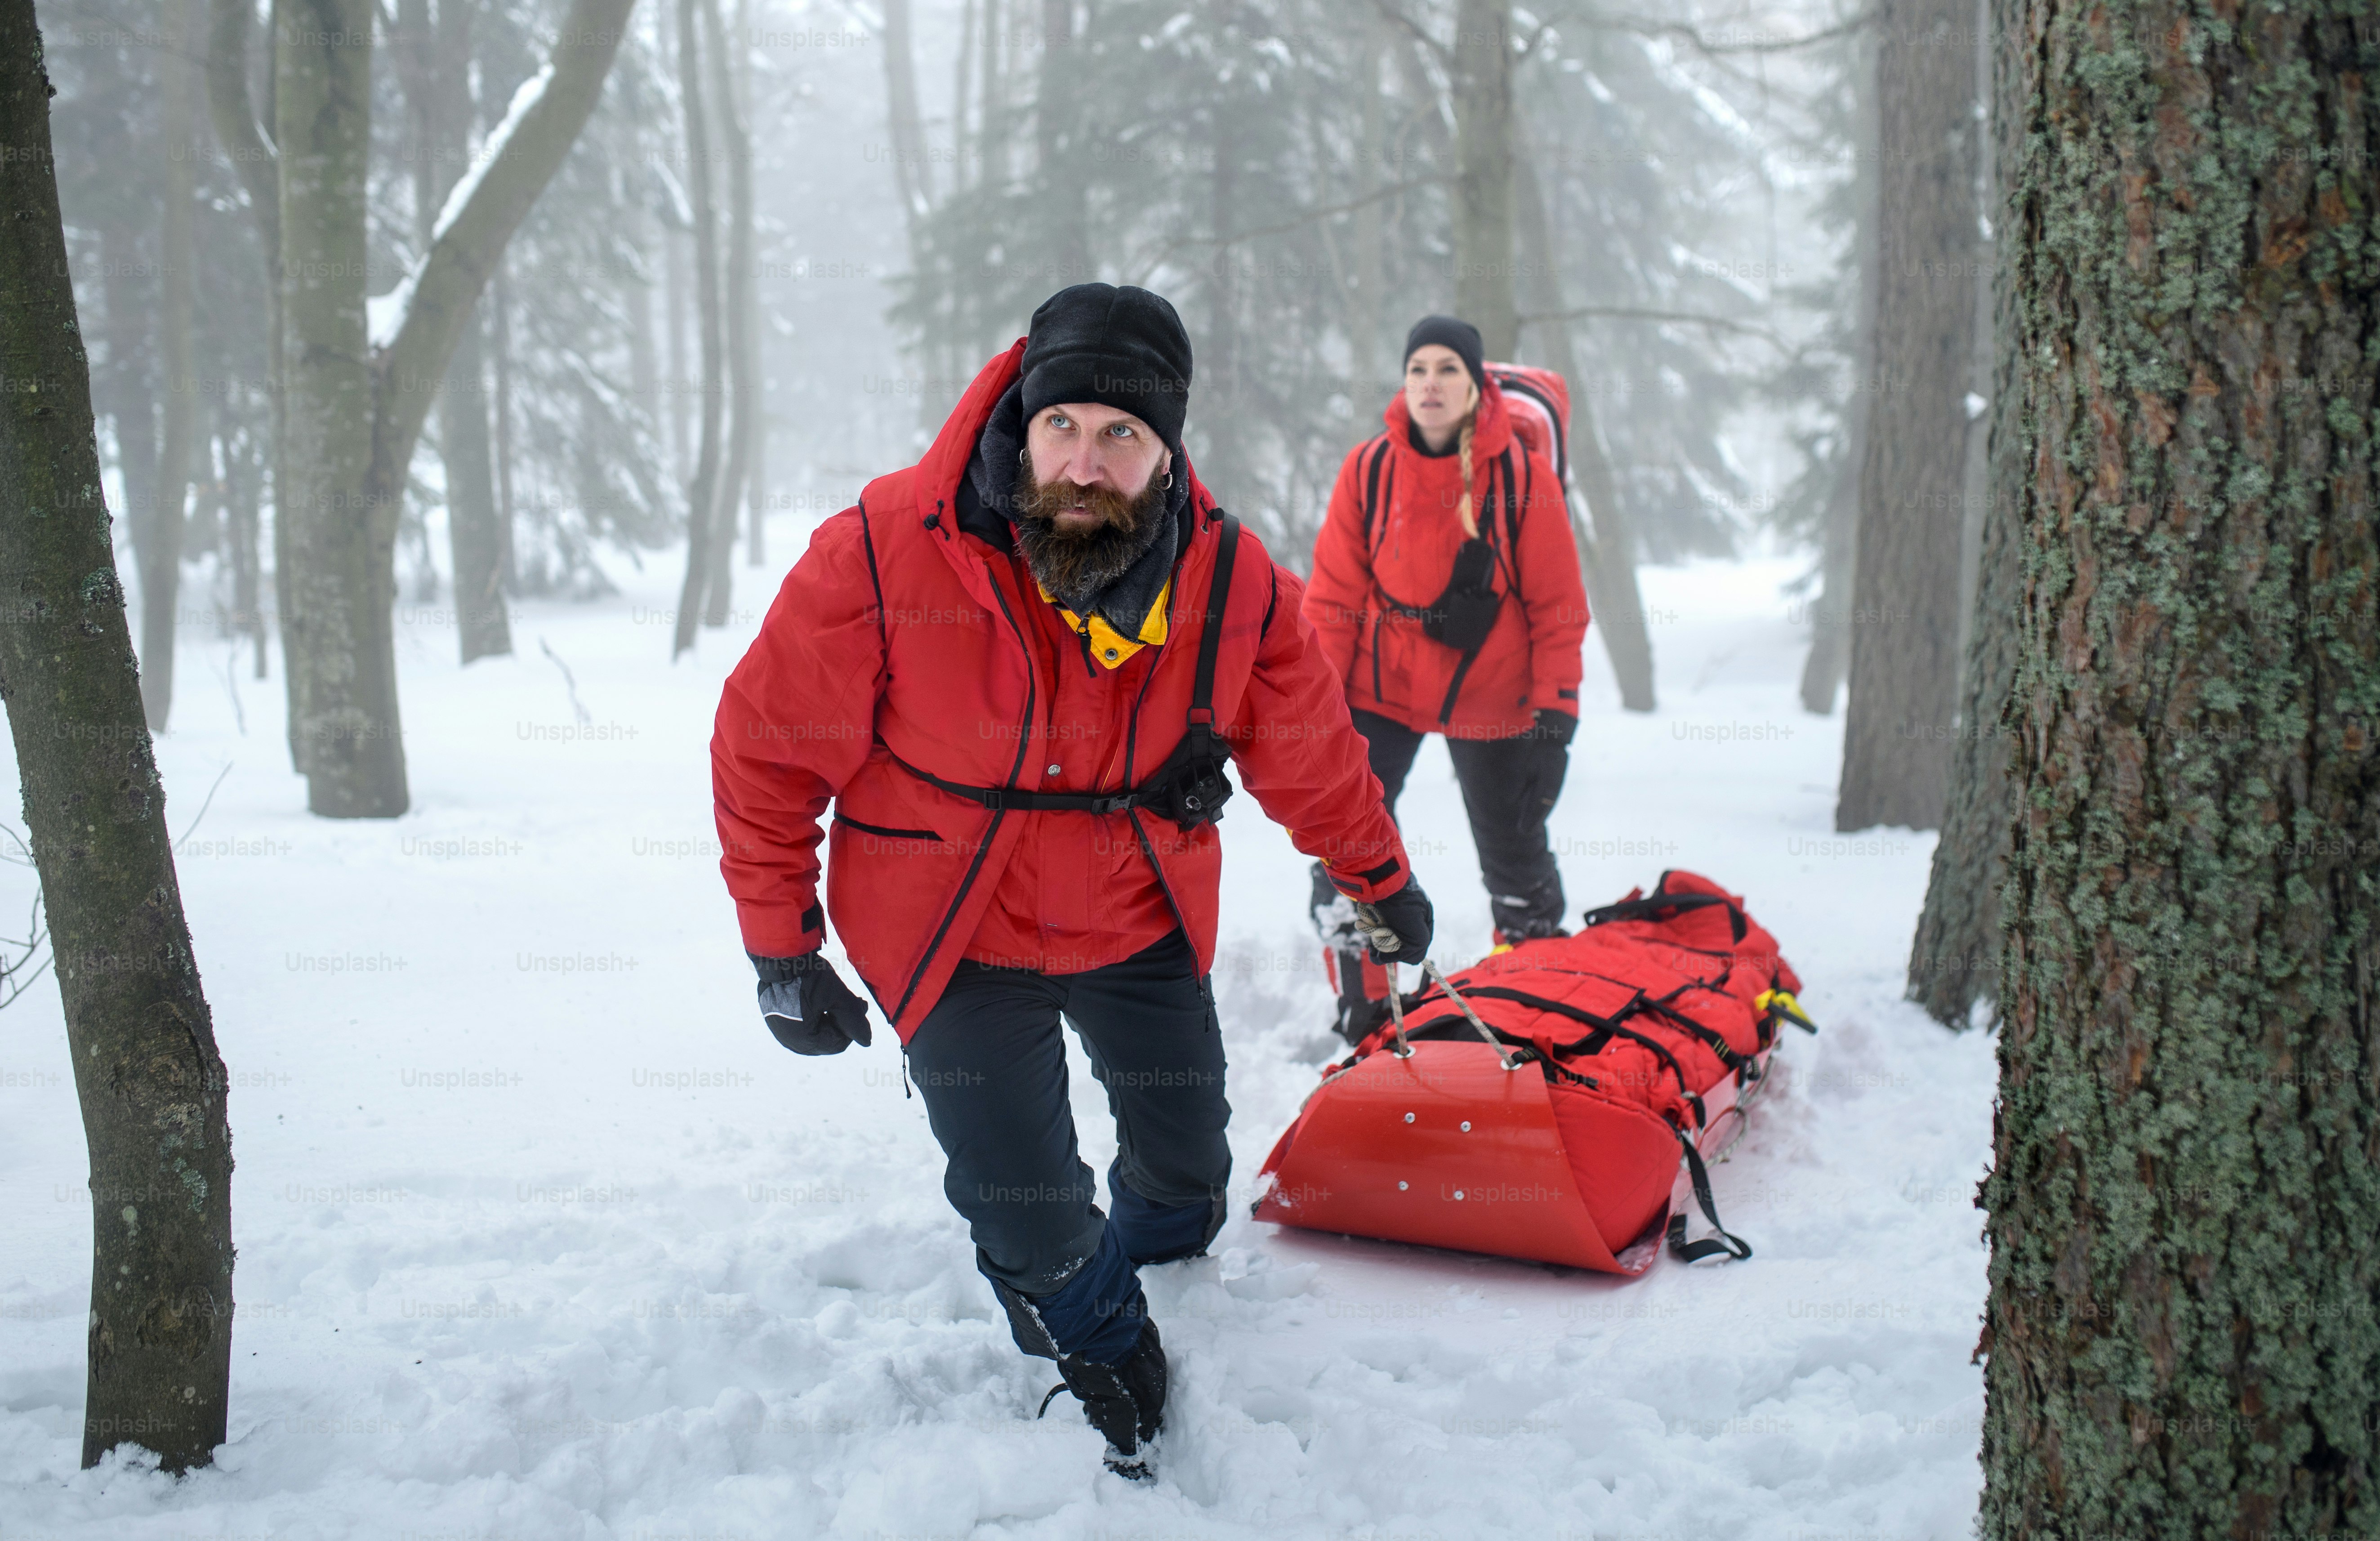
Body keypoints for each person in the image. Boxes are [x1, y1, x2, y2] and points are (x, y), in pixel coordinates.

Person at [710, 283, 1433, 1478]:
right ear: (1024, 418)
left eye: (1121, 436)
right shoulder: (885, 549)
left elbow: (1306, 747)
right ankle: (1093, 1337)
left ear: (1166, 450)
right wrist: (779, 949)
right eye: (1063, 428)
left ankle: (1159, 1271)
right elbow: (766, 750)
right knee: (1024, 1199)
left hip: (1132, 902)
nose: (1083, 464)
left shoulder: (1231, 578)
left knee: (1186, 1161)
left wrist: (1375, 875)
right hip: (948, 921)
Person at [1301, 316, 1589, 1043]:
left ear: (1475, 385)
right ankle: (1366, 1008)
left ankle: (1532, 1010)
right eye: (1418, 370)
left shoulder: (1521, 476)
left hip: (1492, 694)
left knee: (1515, 849)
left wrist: (1555, 721)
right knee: (1346, 845)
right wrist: (1319, 706)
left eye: (1447, 370)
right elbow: (1331, 600)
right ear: (1404, 383)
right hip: (1380, 688)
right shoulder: (1368, 469)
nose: (1430, 384)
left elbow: (1558, 608)